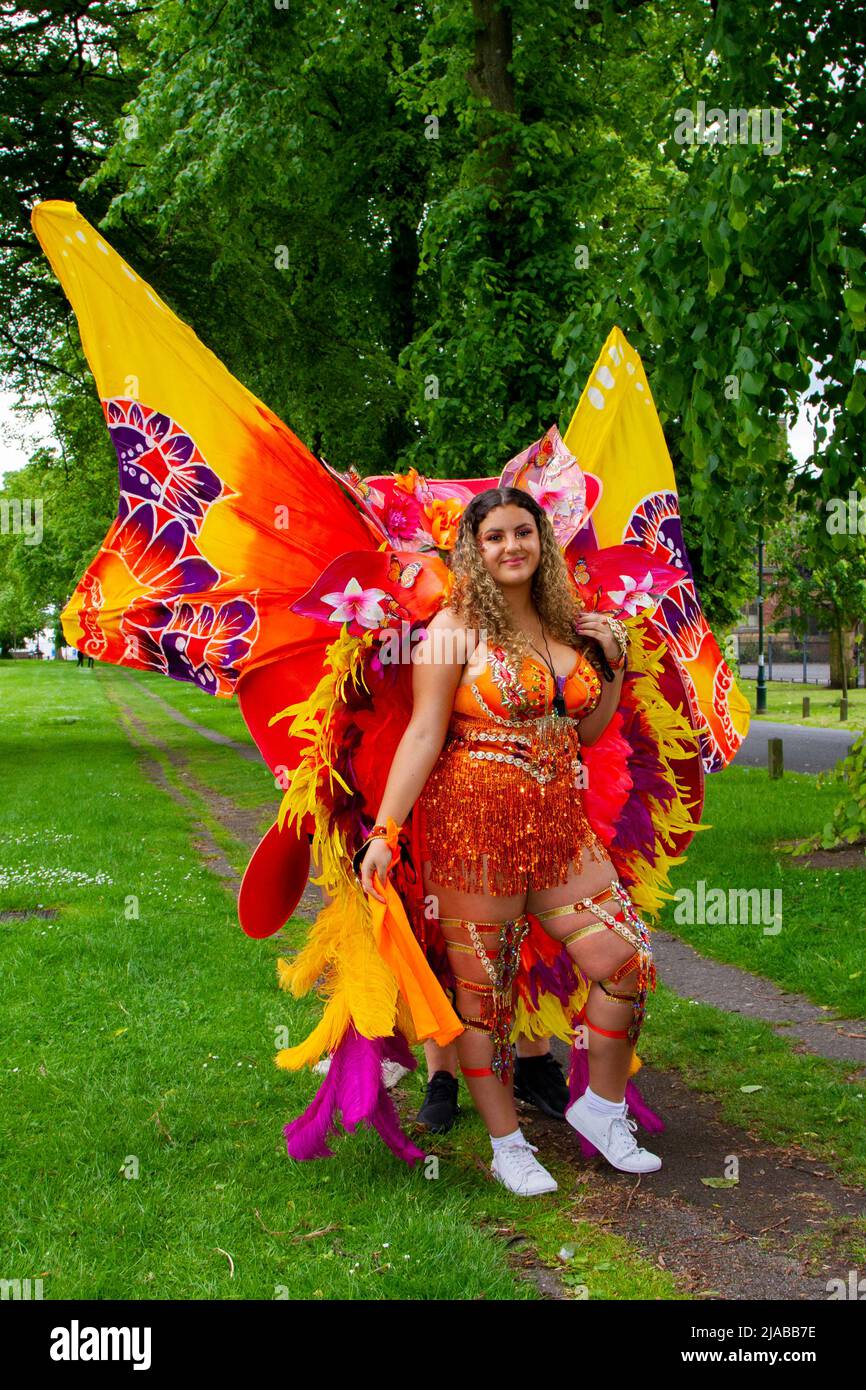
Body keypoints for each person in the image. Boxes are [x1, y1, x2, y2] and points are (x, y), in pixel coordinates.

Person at [354, 487, 661, 1196]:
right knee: (482, 999)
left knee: (626, 960)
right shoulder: (454, 630)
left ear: (542, 542)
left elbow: (584, 732)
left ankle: (602, 1111)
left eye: (523, 532)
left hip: (560, 827)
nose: (511, 546)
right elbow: (424, 733)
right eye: (494, 537)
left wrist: (610, 665)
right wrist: (385, 833)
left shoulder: (571, 626)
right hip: (475, 827)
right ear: (474, 548)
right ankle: (508, 1145)